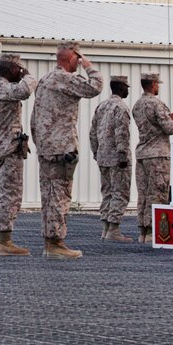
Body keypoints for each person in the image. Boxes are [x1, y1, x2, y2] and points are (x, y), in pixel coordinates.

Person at [30, 42, 102, 259]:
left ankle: (50, 241)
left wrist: (40, 143)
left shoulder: (45, 80)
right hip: (61, 148)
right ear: (72, 59)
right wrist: (89, 66)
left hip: (47, 148)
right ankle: (55, 244)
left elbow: (34, 118)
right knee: (59, 196)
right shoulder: (65, 79)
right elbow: (95, 87)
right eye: (77, 59)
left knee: (49, 195)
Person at [0, 53, 36, 257]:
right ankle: (5, 240)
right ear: (13, 70)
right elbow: (25, 90)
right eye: (18, 69)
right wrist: (28, 75)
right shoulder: (5, 89)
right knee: (10, 196)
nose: (20, 72)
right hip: (9, 150)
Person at [132, 72, 173, 243]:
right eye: (157, 84)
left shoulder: (137, 105)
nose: (158, 86)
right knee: (157, 192)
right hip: (158, 154)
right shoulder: (156, 104)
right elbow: (169, 128)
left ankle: (143, 231)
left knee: (143, 193)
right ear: (152, 84)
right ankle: (154, 231)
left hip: (142, 154)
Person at [91, 75, 133, 243]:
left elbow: (92, 133)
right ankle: (114, 229)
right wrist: (122, 154)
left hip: (103, 157)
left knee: (107, 192)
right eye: (126, 88)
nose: (128, 90)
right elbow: (121, 133)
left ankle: (106, 228)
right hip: (117, 158)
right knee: (120, 192)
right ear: (121, 88)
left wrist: (96, 152)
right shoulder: (120, 107)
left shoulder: (101, 106)